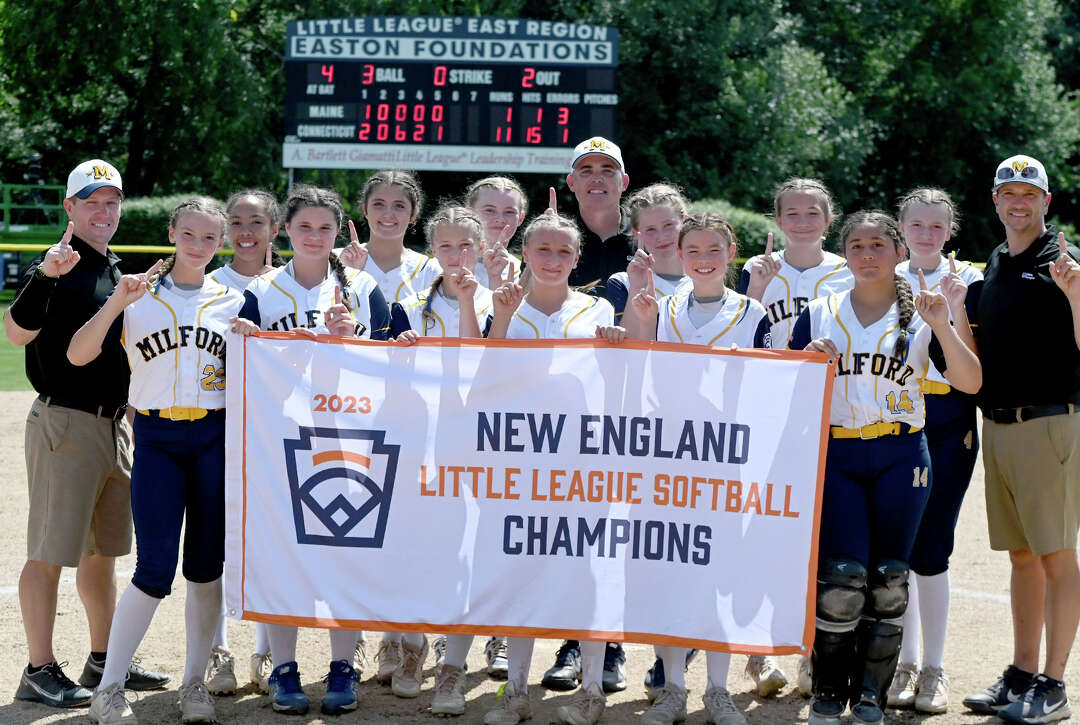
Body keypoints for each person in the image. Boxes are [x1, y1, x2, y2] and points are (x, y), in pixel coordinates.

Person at [790, 211, 981, 725]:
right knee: (840, 579)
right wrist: (806, 361)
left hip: (902, 453)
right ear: (844, 253)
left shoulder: (921, 313)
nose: (868, 254)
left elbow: (970, 382)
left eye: (879, 244)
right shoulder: (819, 311)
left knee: (891, 578)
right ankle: (829, 690)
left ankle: (872, 693)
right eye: (857, 245)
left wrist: (944, 323)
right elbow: (786, 393)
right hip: (841, 452)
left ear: (899, 252)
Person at [70, 197, 246, 724]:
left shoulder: (234, 299)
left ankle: (195, 684)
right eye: (189, 234)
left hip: (213, 436)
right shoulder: (138, 293)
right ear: (171, 233)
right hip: (156, 437)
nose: (198, 245)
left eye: (210, 237)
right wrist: (116, 304)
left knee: (205, 567)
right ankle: (109, 686)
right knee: (153, 567)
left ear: (221, 243)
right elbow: (79, 354)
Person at [6, 159, 168, 709]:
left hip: (112, 423)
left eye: (112, 202)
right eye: (92, 201)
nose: (104, 211)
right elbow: (14, 333)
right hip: (65, 420)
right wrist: (46, 274)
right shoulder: (58, 264)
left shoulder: (111, 266)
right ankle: (37, 668)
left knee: (103, 553)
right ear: (70, 208)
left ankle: (104, 658)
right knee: (51, 551)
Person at [233, 185, 390, 716]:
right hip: (280, 441)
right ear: (285, 231)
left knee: (346, 553)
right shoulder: (261, 291)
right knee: (281, 556)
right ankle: (283, 668)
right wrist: (249, 339)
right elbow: (236, 365)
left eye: (325, 228)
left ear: (338, 231)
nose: (315, 237)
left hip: (351, 437)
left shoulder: (365, 288)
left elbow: (400, 362)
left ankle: (344, 665)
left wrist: (361, 344)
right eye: (305, 227)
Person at [606, 212, 768, 725]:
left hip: (724, 459)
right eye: (692, 249)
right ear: (676, 252)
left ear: (731, 251)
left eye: (713, 249)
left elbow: (771, 388)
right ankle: (673, 685)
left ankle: (717, 690)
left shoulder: (753, 312)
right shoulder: (661, 306)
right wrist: (628, 322)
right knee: (667, 571)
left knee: (719, 572)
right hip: (665, 457)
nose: (702, 259)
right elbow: (634, 367)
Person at [478, 212, 615, 725]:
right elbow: (485, 383)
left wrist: (619, 342)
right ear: (525, 255)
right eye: (543, 250)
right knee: (520, 572)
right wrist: (504, 319)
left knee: (587, 571)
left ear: (577, 259)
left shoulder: (598, 308)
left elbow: (619, 383)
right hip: (522, 463)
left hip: (586, 464)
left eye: (564, 252)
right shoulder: (506, 306)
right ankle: (515, 690)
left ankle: (594, 689)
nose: (553, 260)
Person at [961, 155, 1080, 724]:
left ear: (1046, 203)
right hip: (1001, 427)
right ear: (995, 201)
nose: (1018, 201)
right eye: (1008, 192)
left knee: (1056, 556)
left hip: (1048, 423)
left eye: (1028, 194)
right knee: (1022, 556)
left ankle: (1053, 685)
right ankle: (1021, 673)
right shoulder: (998, 261)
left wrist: (1078, 296)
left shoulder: (1064, 261)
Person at [739, 177, 853, 695]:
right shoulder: (756, 271)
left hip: (830, 414)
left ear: (829, 220)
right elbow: (738, 336)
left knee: (817, 537)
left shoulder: (850, 270)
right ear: (777, 219)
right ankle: (760, 653)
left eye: (813, 213)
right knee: (762, 532)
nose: (802, 221)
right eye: (792, 213)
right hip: (766, 411)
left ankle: (809, 652)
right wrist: (756, 291)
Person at [388, 204, 493, 716]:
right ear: (433, 250)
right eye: (446, 247)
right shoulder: (407, 303)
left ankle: (454, 665)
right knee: (413, 550)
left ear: (481, 248)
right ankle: (412, 649)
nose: (456, 256)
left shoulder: (498, 301)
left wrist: (471, 302)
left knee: (466, 557)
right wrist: (400, 347)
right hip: (419, 445)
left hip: (475, 447)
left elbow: (481, 359)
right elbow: (391, 377)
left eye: (466, 246)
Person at [887, 189, 982, 714]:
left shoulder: (968, 278)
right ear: (902, 227)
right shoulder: (883, 274)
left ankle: (934, 667)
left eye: (935, 226)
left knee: (933, 545)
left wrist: (953, 310)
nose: (926, 233)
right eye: (916, 225)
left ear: (950, 231)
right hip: (894, 420)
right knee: (900, 545)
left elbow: (970, 370)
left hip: (946, 423)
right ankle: (905, 661)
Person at [546, 137, 632, 694]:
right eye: (585, 169)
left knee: (626, 533)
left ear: (624, 181)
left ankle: (618, 646)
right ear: (571, 183)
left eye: (608, 169)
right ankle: (577, 642)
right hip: (566, 409)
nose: (596, 177)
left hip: (638, 408)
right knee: (574, 530)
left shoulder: (654, 235)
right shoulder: (551, 243)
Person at [203, 189, 286, 696]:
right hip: (219, 428)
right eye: (235, 221)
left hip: (278, 433)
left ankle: (267, 651)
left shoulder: (289, 287)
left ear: (275, 229)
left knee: (270, 543)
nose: (246, 231)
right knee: (214, 542)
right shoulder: (209, 284)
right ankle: (218, 651)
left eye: (257, 221)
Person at [338, 169, 441, 304]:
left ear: (413, 214)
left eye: (399, 206)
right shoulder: (337, 261)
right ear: (365, 209)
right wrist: (351, 275)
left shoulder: (429, 270)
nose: (388, 214)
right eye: (378, 204)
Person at [605, 182, 691, 329]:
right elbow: (626, 345)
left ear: (684, 222)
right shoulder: (623, 282)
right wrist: (637, 287)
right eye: (651, 229)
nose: (661, 236)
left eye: (668, 225)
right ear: (636, 234)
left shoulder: (705, 278)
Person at [465, 175, 528, 291]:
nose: (500, 219)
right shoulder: (445, 266)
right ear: (470, 214)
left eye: (509, 212)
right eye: (489, 210)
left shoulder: (522, 273)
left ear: (521, 218)